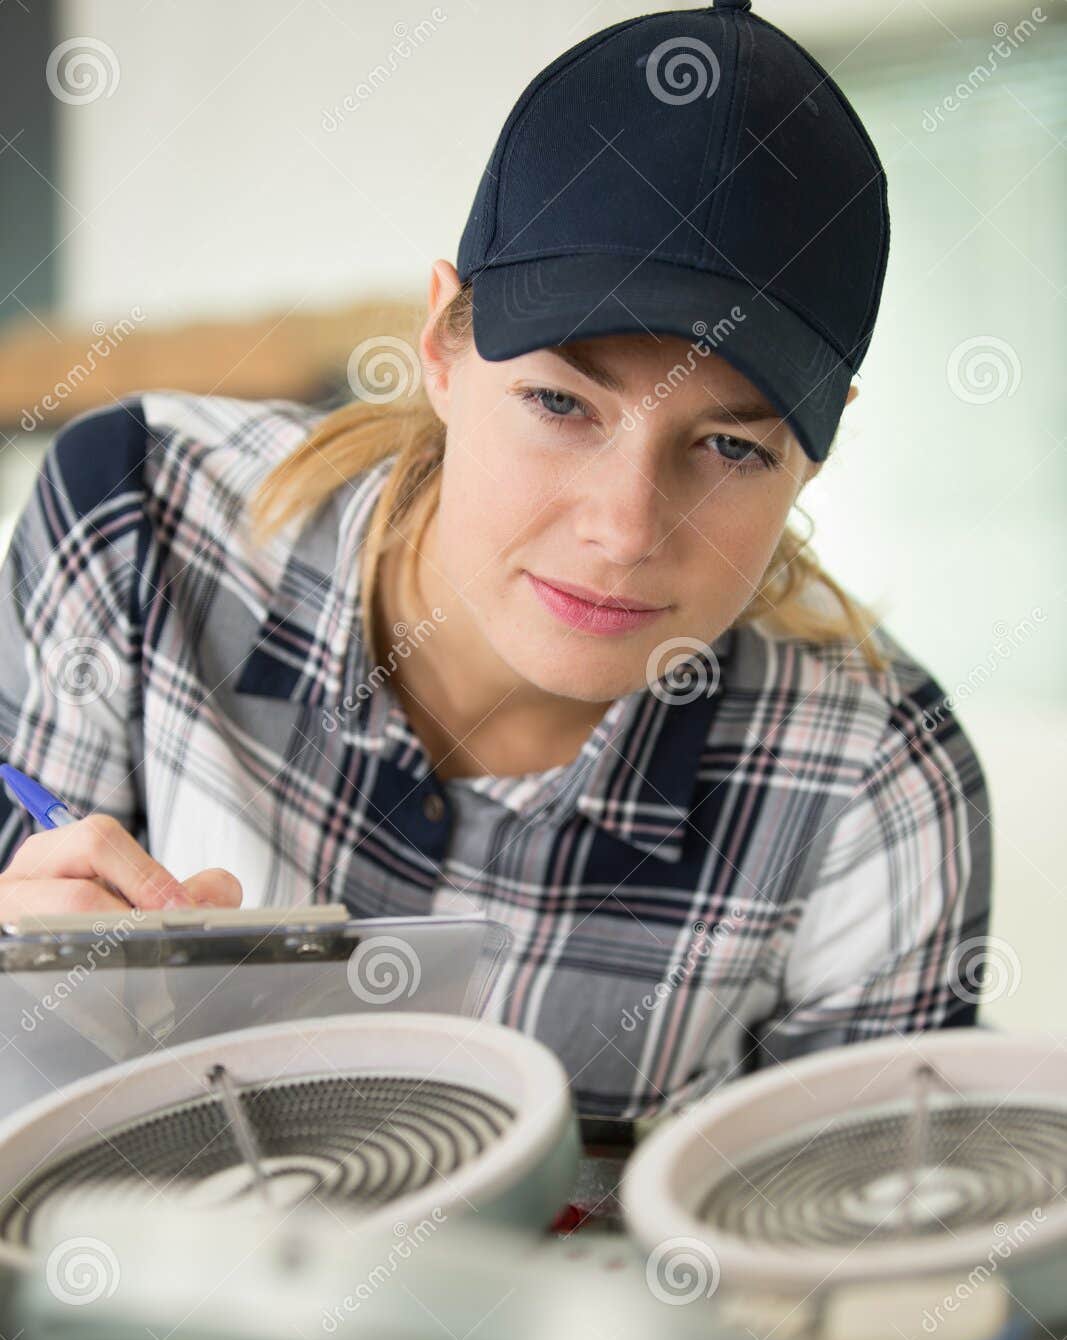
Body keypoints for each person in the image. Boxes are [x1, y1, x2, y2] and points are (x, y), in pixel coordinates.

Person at [0, 1, 991, 1124]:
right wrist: (26, 1004)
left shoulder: (874, 784)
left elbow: (862, 1224)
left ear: (818, 450)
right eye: (560, 404)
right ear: (440, 346)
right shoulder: (134, 512)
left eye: (729, 447)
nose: (624, 530)